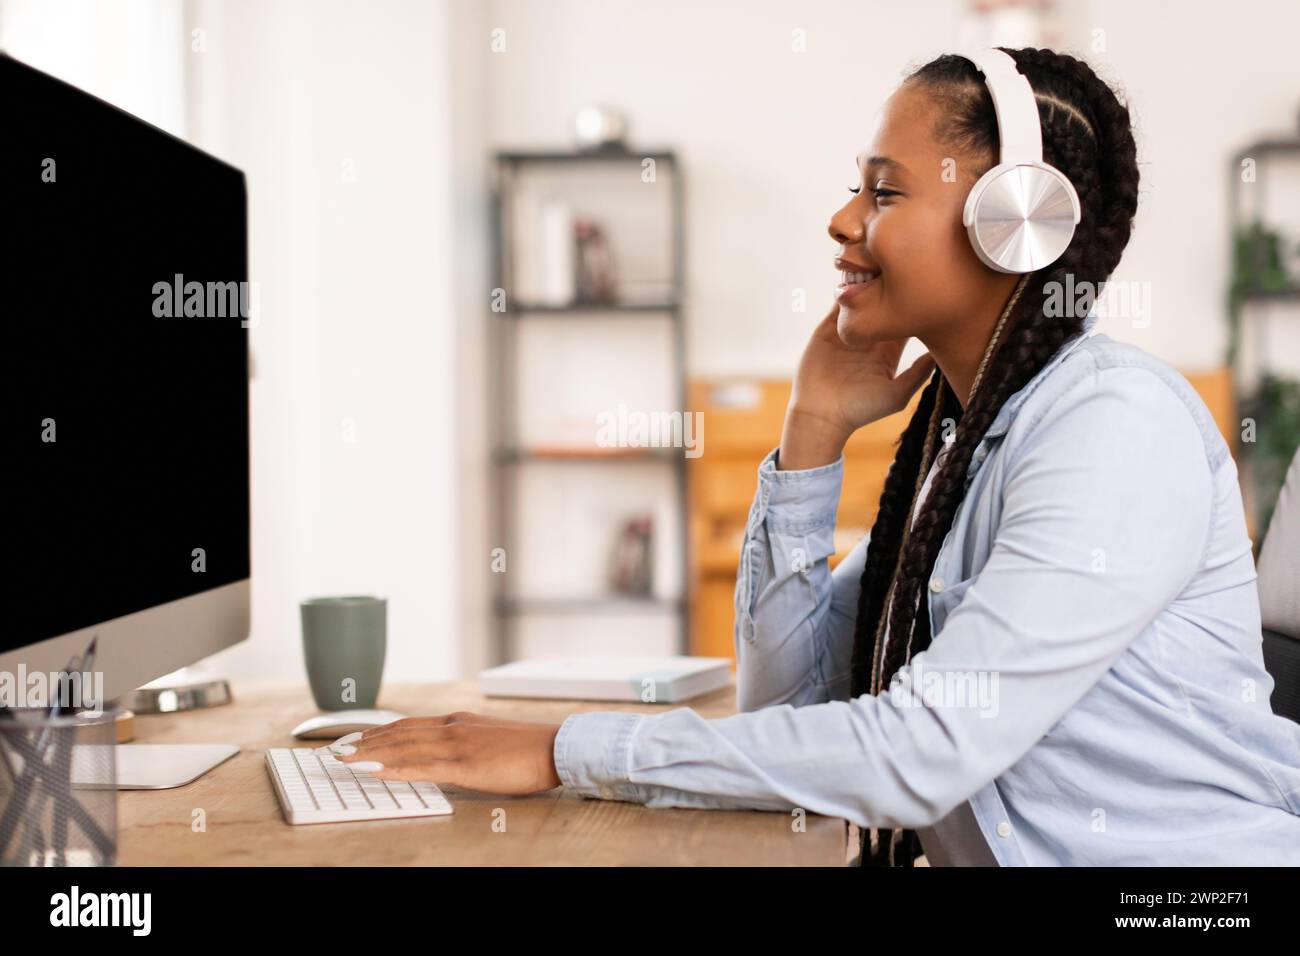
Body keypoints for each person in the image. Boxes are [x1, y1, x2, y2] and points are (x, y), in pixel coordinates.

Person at [336, 47, 1300, 866]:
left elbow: (916, 752)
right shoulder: (957, 443)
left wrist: (564, 749)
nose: (844, 221)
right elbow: (783, 704)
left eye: (884, 190)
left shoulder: (1113, 429)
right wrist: (811, 437)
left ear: (1013, 222)